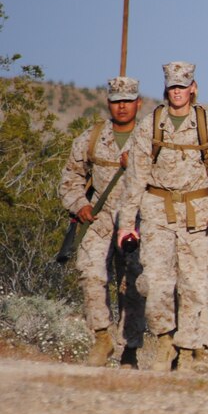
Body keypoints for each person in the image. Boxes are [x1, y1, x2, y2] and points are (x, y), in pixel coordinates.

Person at [117, 62, 208, 372]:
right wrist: (127, 222)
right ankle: (165, 341)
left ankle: (189, 348)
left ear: (194, 88)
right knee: (156, 282)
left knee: (195, 285)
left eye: (183, 86)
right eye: (172, 87)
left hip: (198, 213)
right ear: (166, 89)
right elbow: (135, 177)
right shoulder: (151, 124)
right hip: (157, 211)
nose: (178, 91)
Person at [58, 76, 145, 368]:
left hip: (136, 220)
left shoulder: (148, 140)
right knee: (91, 273)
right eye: (117, 101)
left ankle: (130, 349)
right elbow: (71, 177)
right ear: (108, 103)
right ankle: (101, 336)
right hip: (100, 218)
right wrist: (80, 204)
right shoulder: (91, 138)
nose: (122, 107)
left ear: (138, 103)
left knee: (131, 285)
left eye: (128, 101)